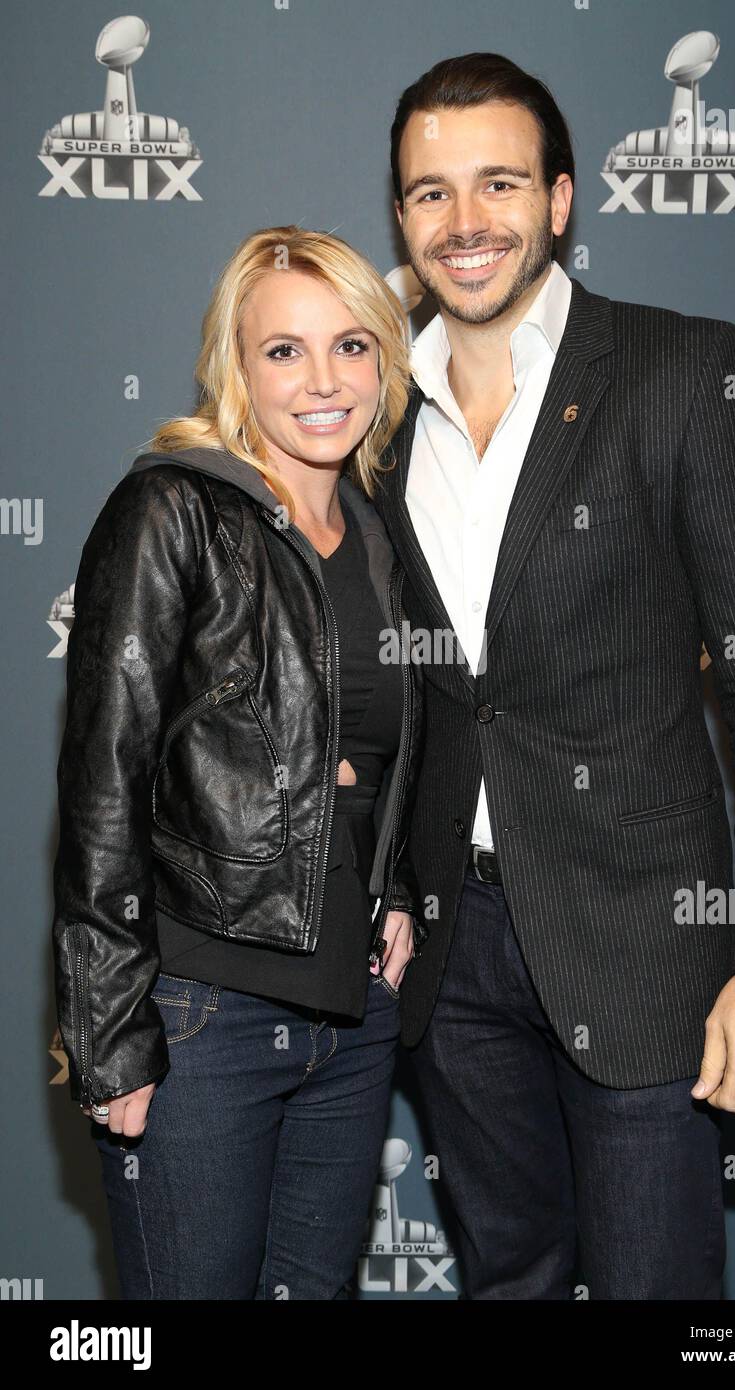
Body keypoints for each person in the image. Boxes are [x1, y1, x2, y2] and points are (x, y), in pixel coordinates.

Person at [373, 52, 735, 1299]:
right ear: (401, 218)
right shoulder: (365, 416)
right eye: (429, 194)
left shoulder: (680, 374)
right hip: (449, 958)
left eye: (499, 184)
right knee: (508, 1279)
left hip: (646, 943)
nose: (464, 223)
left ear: (563, 200)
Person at [51, 225, 425, 1299]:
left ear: (383, 362)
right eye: (284, 351)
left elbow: (376, 751)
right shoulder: (171, 509)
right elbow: (101, 784)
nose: (323, 380)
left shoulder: (375, 531)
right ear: (234, 363)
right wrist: (108, 1025)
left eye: (351, 346)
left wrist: (391, 886)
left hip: (349, 1022)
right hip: (199, 1011)